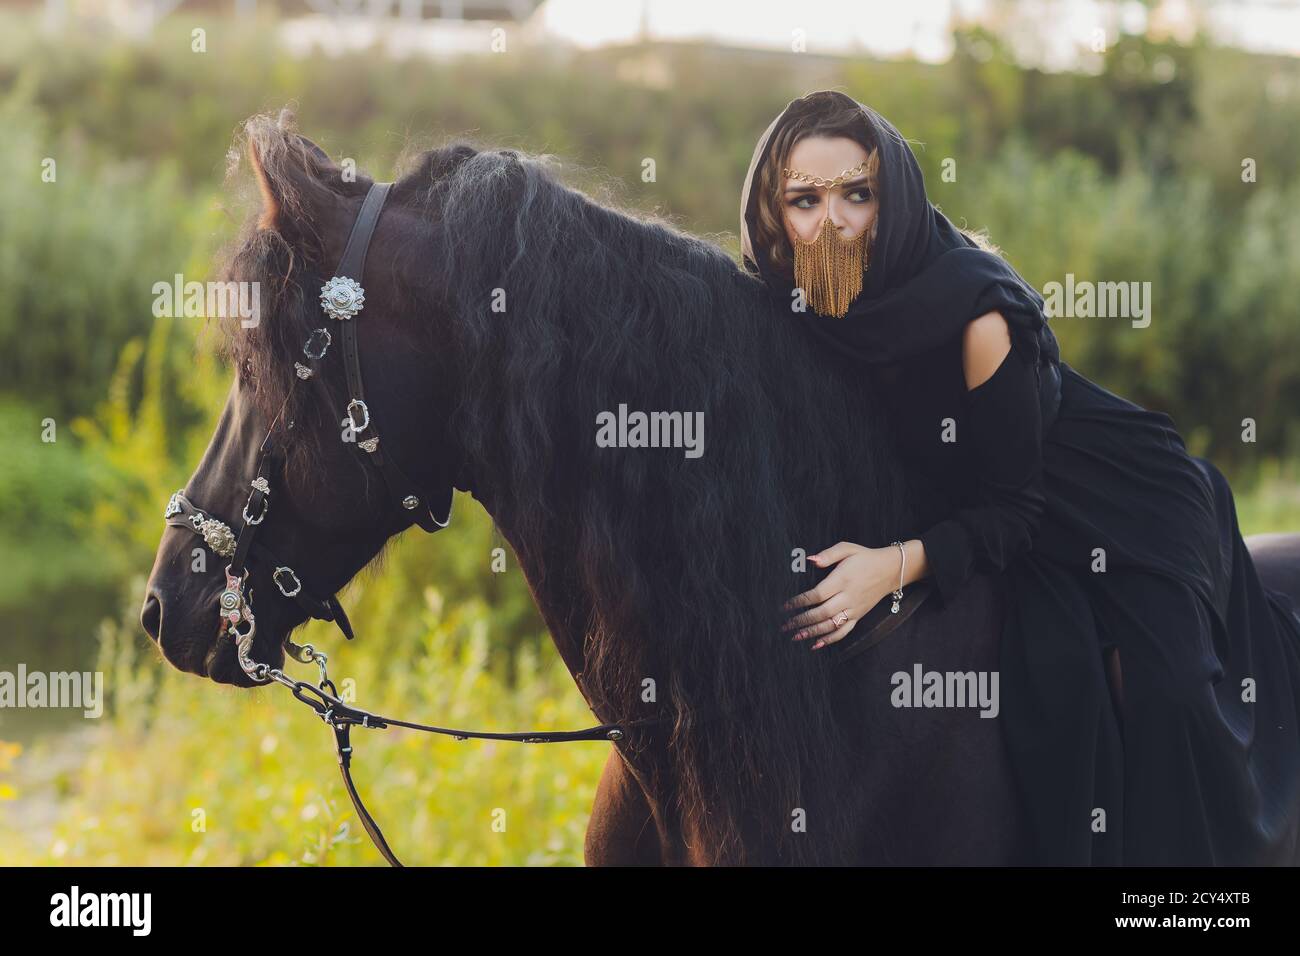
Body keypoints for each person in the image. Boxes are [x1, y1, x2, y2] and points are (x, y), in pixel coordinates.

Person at [740, 89, 1300, 865]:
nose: (829, 221)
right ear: (775, 213)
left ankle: (1195, 907)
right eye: (804, 199)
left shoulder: (977, 315)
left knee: (1170, 701)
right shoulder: (799, 303)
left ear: (891, 199)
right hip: (989, 507)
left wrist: (892, 567)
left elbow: (1012, 508)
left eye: (856, 195)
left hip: (1120, 506)